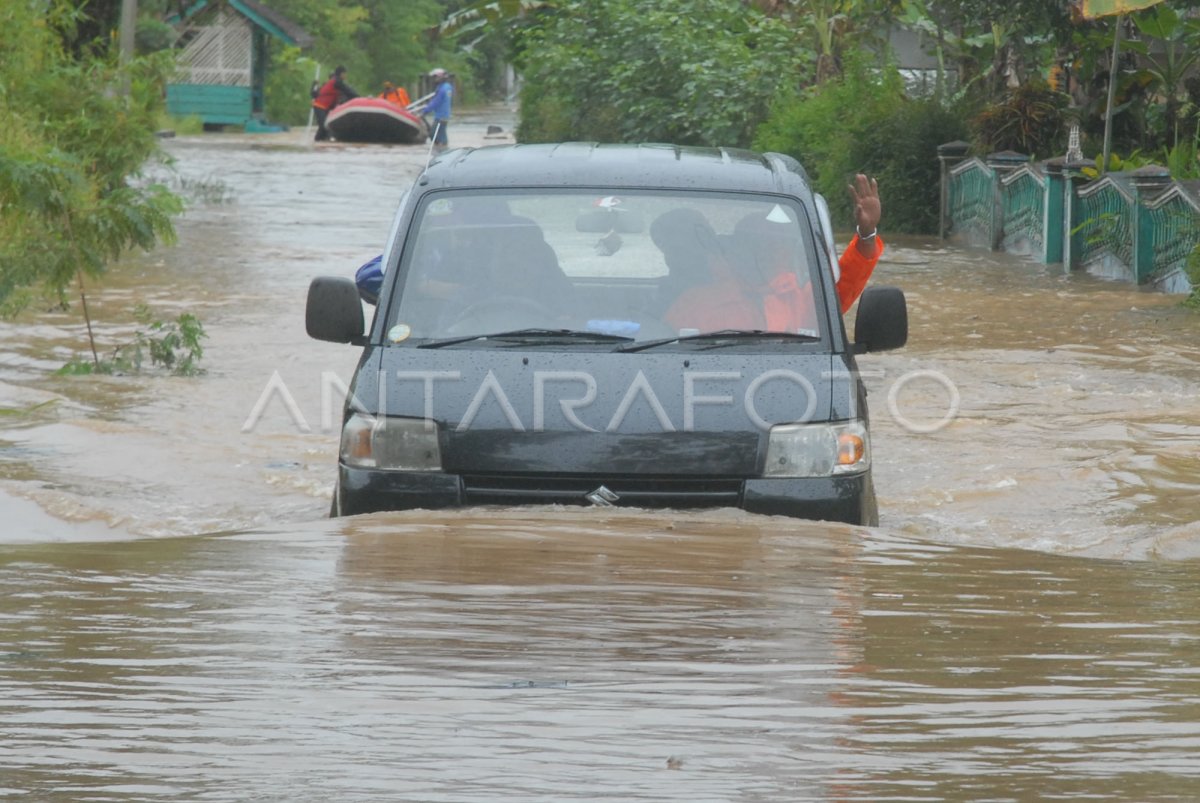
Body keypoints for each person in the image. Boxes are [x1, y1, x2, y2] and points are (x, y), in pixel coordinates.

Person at [660, 173, 884, 333]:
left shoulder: (802, 298)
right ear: (736, 251)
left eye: (779, 247)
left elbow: (847, 281)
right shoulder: (695, 302)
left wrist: (867, 234)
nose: (772, 256)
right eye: (761, 247)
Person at [311, 65, 359, 142]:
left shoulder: (335, 81)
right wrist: (358, 97)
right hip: (320, 106)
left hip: (324, 107)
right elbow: (348, 91)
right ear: (341, 74)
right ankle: (318, 141)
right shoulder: (337, 82)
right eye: (345, 74)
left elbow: (347, 92)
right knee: (324, 126)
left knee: (324, 126)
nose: (346, 75)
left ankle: (319, 141)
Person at [421, 68, 454, 151]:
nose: (434, 79)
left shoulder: (442, 89)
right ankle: (443, 148)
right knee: (442, 134)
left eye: (436, 77)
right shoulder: (448, 87)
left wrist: (425, 111)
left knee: (433, 134)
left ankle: (440, 150)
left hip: (441, 116)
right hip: (445, 115)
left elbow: (435, 102)